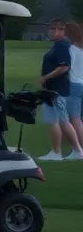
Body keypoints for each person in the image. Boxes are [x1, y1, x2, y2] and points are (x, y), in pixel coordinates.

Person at [37, 19, 83, 162]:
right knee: (65, 120)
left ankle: (60, 151)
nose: (52, 31)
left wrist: (45, 77)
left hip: (62, 87)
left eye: (55, 29)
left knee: (62, 120)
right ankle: (76, 149)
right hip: (65, 87)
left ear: (63, 31)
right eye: (51, 28)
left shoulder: (64, 46)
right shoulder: (68, 46)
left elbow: (65, 67)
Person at [67, 22, 83, 156]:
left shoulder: (71, 49)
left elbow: (68, 67)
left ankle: (79, 149)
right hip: (82, 83)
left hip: (74, 84)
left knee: (75, 118)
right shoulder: (81, 49)